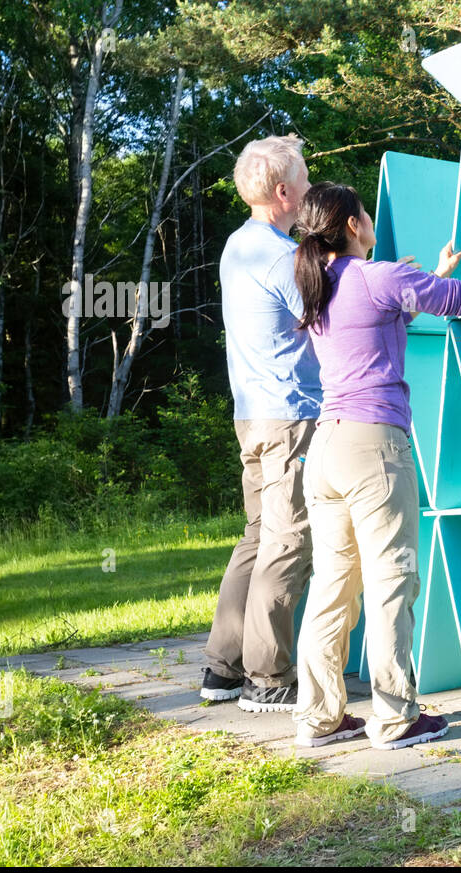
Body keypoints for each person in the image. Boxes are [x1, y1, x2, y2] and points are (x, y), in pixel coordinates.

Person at [290, 181, 461, 749]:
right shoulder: (379, 274)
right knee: (393, 580)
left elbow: (379, 329)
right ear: (351, 226)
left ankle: (317, 718)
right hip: (375, 448)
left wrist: (431, 275)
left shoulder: (319, 285)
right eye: (365, 213)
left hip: (326, 449)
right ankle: (393, 718)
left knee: (333, 587)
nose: (371, 221)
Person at [202, 134, 321, 712]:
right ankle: (268, 679)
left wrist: (281, 145)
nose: (309, 189)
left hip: (251, 414)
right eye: (302, 179)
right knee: (288, 540)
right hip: (291, 417)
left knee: (256, 537)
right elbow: (328, 322)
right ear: (282, 192)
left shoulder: (238, 244)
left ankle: (221, 668)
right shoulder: (282, 257)